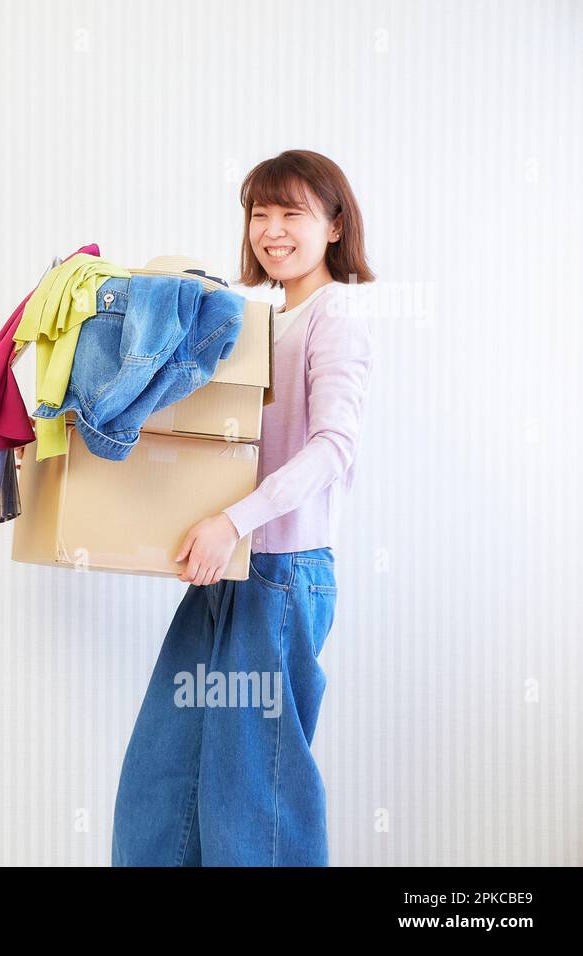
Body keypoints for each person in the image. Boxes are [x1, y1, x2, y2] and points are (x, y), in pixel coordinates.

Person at [111, 149, 376, 866]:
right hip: (232, 573)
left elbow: (332, 449)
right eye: (260, 213)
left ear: (333, 224)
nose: (272, 229)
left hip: (283, 577)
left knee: (252, 791)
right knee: (164, 772)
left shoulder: (335, 315)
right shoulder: (258, 321)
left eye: (292, 212)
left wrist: (234, 520)